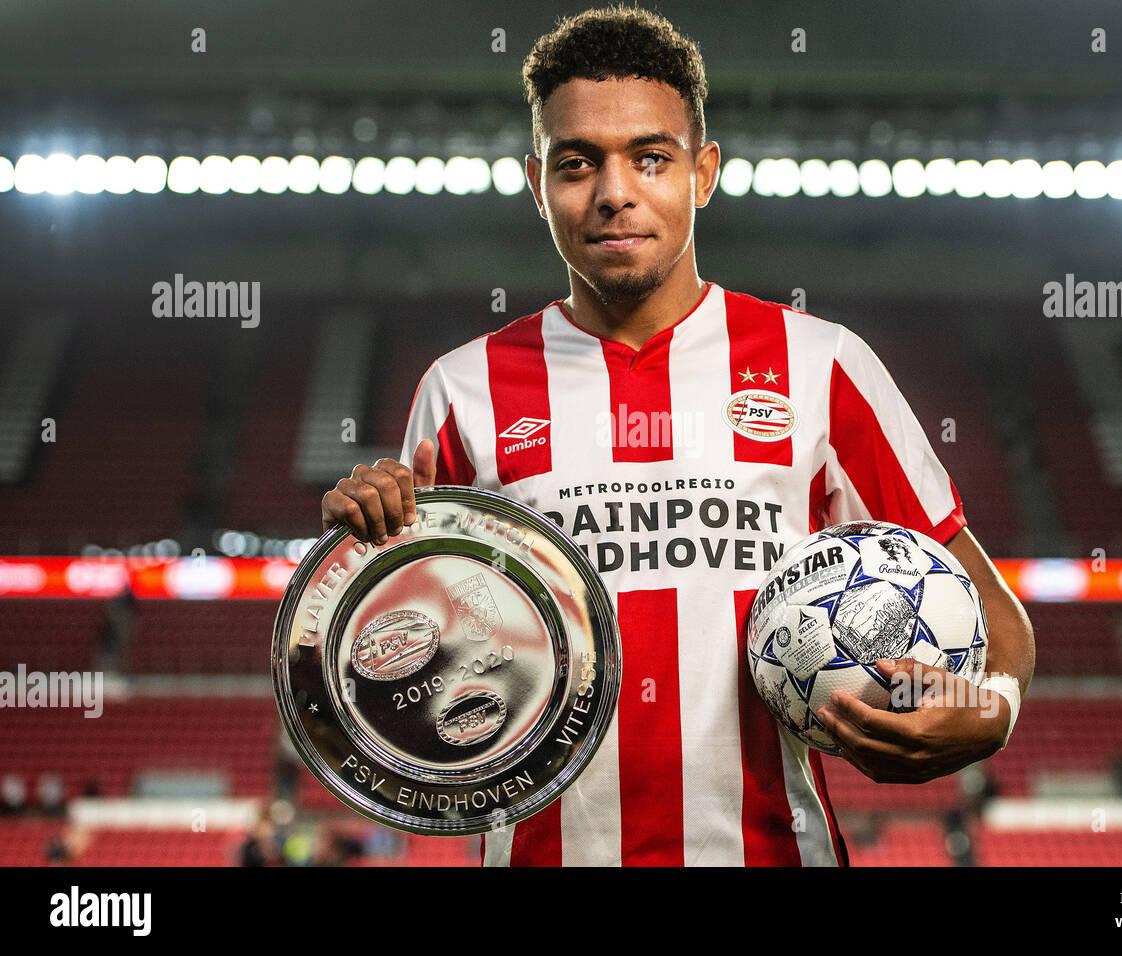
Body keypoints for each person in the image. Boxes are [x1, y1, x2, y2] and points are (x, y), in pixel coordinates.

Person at [322, 5, 1034, 867]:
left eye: (650, 158)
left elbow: (994, 619)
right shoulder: (462, 390)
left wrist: (989, 713)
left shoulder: (821, 365)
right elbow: (429, 681)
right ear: (537, 182)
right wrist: (372, 564)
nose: (615, 191)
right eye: (577, 162)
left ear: (703, 173)